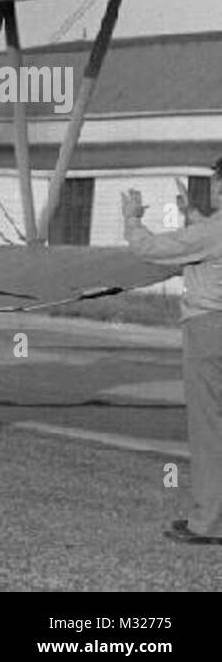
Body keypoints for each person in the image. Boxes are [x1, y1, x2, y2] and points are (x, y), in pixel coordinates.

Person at [123, 162, 222, 544]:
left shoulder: (213, 231)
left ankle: (209, 524)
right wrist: (190, 214)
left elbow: (150, 248)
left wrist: (132, 219)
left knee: (209, 428)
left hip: (209, 329)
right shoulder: (209, 230)